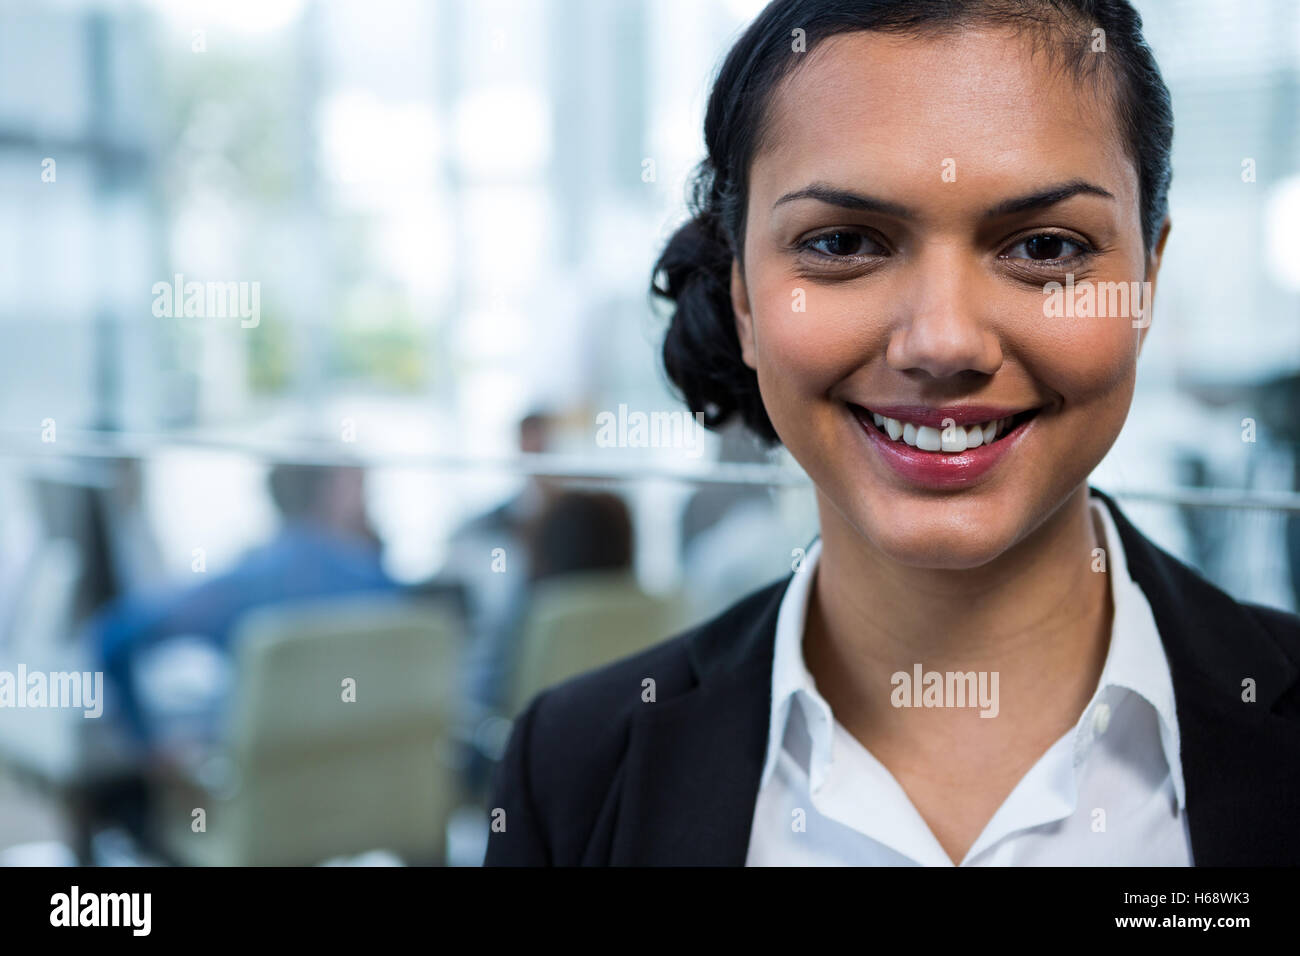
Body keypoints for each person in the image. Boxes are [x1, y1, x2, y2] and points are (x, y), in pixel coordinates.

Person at [485, 0, 1300, 866]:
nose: (943, 342)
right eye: (842, 242)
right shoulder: (572, 772)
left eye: (1047, 248)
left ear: (1147, 280)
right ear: (745, 300)